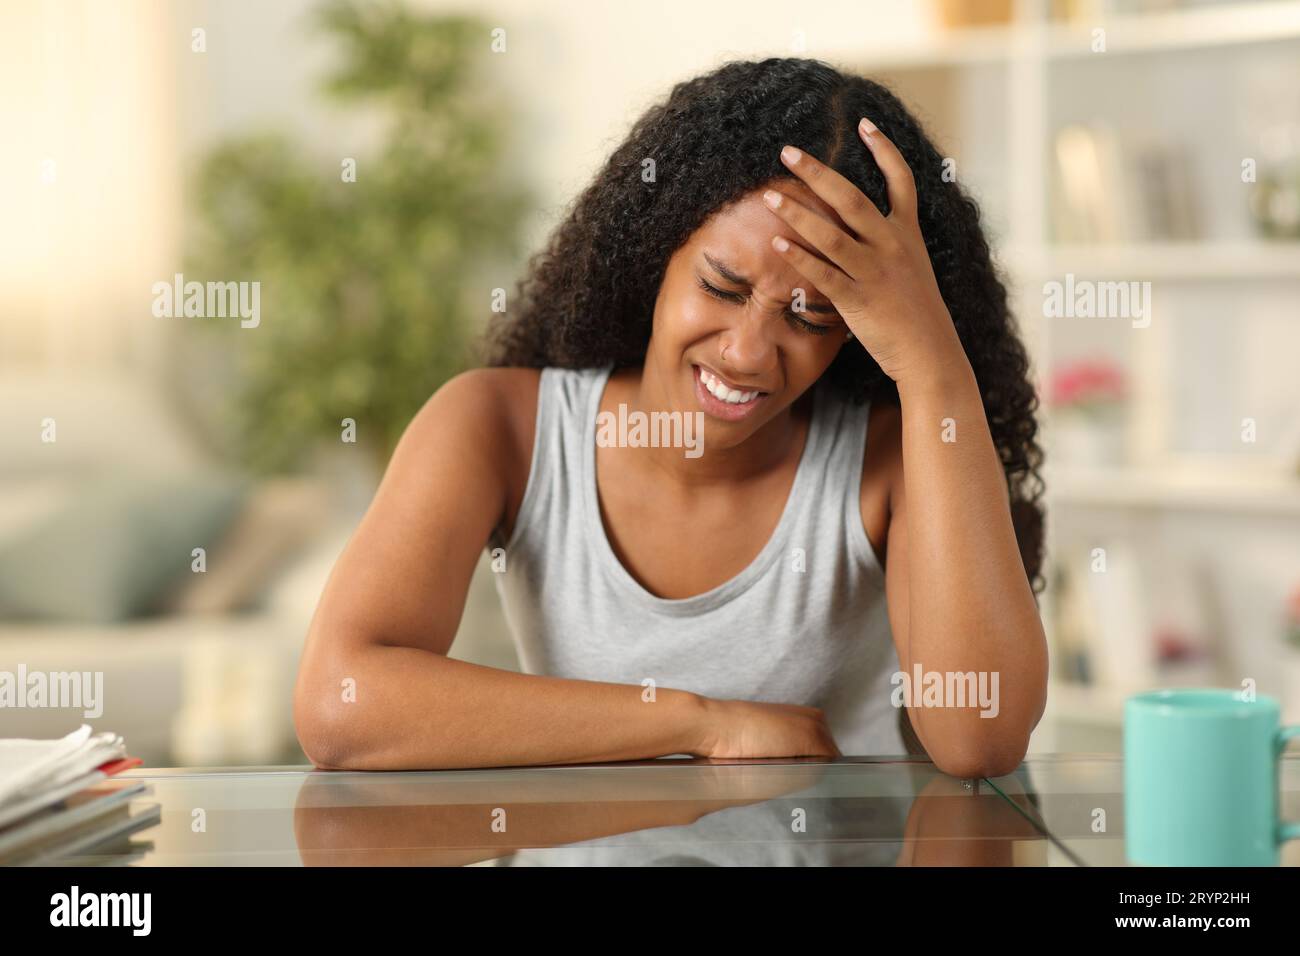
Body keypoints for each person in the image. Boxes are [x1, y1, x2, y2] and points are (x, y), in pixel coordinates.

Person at [293, 58, 1048, 778]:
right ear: (655, 255)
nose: (749, 353)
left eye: (812, 316)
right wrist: (702, 723)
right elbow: (341, 703)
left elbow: (979, 738)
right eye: (722, 286)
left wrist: (933, 367)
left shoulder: (887, 453)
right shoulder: (498, 426)